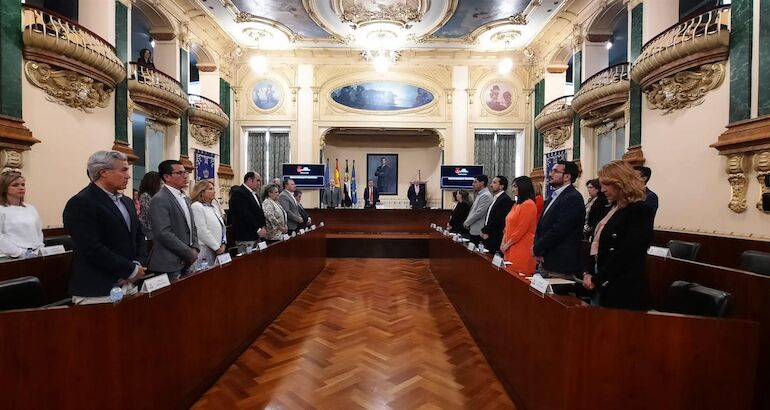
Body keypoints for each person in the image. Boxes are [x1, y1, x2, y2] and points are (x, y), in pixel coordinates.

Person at [63, 151, 145, 303]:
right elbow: (91, 248)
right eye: (124, 170)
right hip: (99, 288)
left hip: (130, 283)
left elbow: (139, 235)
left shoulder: (126, 201)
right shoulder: (81, 202)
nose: (128, 176)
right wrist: (129, 270)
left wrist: (137, 264)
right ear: (104, 172)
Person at [583, 160, 654, 310]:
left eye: (605, 185)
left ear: (620, 183)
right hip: (601, 278)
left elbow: (628, 252)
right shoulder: (614, 207)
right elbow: (597, 242)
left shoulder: (639, 210)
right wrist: (588, 272)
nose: (602, 190)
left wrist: (598, 278)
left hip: (621, 285)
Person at [533, 161, 585, 279]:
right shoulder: (554, 196)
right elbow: (542, 226)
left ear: (567, 176)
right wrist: (538, 250)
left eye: (555, 171)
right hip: (546, 259)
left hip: (560, 262)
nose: (550, 174)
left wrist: (538, 248)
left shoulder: (573, 197)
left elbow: (560, 229)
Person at [147, 160, 198, 278]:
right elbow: (163, 233)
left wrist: (195, 247)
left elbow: (192, 226)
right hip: (170, 261)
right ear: (167, 177)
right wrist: (188, 252)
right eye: (180, 173)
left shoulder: (185, 198)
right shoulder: (160, 199)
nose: (185, 176)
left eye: (185, 172)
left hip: (187, 259)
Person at [0, 171, 44, 258]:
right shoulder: (2, 209)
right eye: (15, 185)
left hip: (34, 254)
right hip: (9, 257)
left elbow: (38, 231)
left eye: (23, 185)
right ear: (4, 188)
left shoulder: (30, 208)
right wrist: (21, 253)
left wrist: (39, 248)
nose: (21, 188)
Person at [500, 176, 538, 275]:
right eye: (512, 187)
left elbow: (521, 229)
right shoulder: (516, 204)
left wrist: (507, 244)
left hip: (521, 246)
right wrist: (503, 242)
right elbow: (507, 226)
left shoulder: (529, 204)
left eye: (515, 187)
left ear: (523, 187)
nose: (512, 189)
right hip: (510, 245)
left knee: (518, 276)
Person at [229, 172, 267, 252]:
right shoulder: (239, 193)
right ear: (250, 180)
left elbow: (260, 213)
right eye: (257, 180)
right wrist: (258, 229)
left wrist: (263, 226)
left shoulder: (255, 194)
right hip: (246, 237)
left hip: (256, 236)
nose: (259, 183)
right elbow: (244, 214)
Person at [190, 180, 225, 268]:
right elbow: (202, 231)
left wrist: (223, 243)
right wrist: (216, 247)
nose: (214, 191)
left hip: (218, 248)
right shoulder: (197, 206)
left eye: (214, 189)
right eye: (210, 189)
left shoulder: (214, 206)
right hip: (205, 249)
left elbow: (222, 226)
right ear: (201, 192)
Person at [480, 176, 514, 254]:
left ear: (501, 186)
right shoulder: (496, 198)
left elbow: (497, 219)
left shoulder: (505, 199)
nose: (491, 185)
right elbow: (489, 216)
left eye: (494, 182)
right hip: (489, 235)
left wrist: (485, 231)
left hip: (495, 237)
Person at [463, 175, 493, 245]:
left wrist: (467, 223)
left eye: (475, 182)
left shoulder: (486, 195)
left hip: (478, 231)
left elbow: (479, 213)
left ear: (482, 183)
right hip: (474, 229)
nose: (473, 184)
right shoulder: (480, 195)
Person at [137, 171, 162, 240]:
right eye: (159, 182)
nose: (160, 185)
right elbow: (150, 213)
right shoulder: (145, 196)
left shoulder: (155, 195)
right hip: (148, 228)